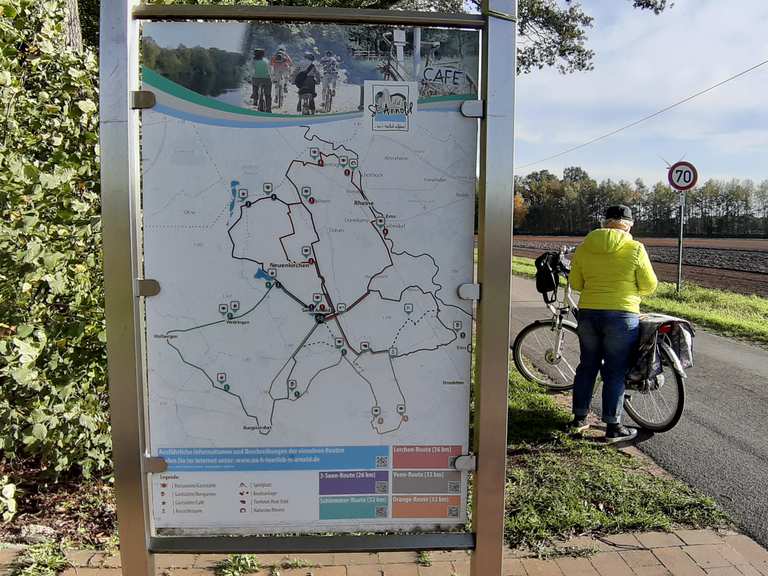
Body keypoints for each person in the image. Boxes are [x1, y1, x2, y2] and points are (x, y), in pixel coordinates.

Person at [569, 205, 658, 443]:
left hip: (589, 313)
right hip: (622, 315)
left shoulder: (584, 247)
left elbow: (576, 283)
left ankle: (578, 419)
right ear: (629, 225)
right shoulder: (635, 248)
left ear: (604, 222)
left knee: (587, 366)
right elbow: (649, 285)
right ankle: (613, 426)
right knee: (615, 370)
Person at [250, 48, 272, 113]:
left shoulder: (253, 61)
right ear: (263, 54)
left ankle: (255, 99)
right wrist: (272, 77)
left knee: (255, 86)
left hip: (256, 79)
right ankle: (268, 109)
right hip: (266, 79)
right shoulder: (266, 61)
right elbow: (270, 70)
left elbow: (251, 70)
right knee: (268, 95)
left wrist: (250, 77)